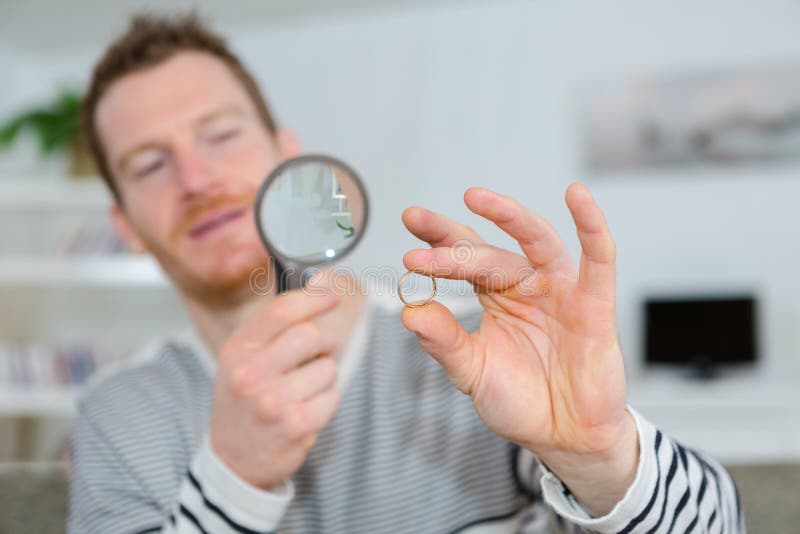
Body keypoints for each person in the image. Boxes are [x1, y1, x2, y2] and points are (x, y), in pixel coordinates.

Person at [68, 13, 743, 534]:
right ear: (124, 222)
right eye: (149, 165)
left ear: (287, 154)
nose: (196, 179)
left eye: (219, 135)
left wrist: (600, 459)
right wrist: (232, 479)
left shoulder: (482, 356)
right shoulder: (118, 416)